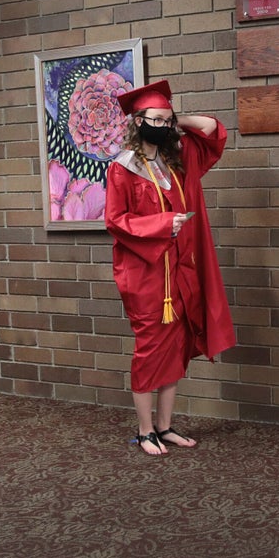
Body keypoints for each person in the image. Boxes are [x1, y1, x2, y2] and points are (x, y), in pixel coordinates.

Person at [104, 80, 236, 455]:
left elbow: (212, 131)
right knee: (151, 350)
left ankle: (164, 427)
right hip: (145, 276)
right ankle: (145, 431)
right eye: (155, 120)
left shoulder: (174, 161)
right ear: (137, 121)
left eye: (167, 120)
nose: (162, 126)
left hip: (178, 269)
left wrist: (179, 120)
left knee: (176, 348)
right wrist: (163, 224)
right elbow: (116, 220)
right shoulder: (122, 168)